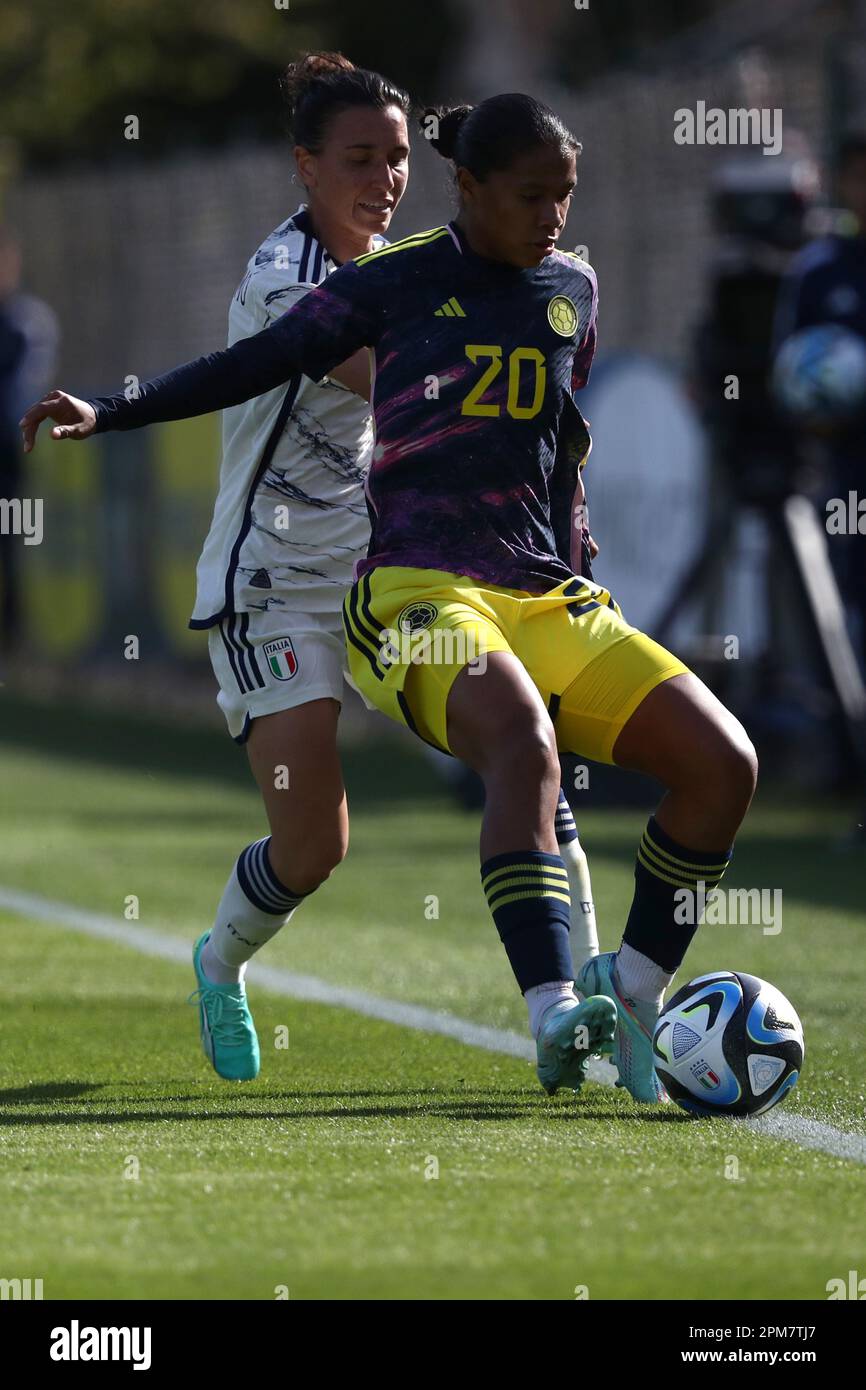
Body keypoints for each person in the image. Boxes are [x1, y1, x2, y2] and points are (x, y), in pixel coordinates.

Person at [22, 92, 758, 1104]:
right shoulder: (361, 282)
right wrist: (109, 408)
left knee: (716, 762)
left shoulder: (572, 291)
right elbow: (252, 365)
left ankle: (624, 993)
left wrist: (573, 550)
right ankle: (517, 1005)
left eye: (564, 195)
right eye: (529, 194)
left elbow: (551, 441)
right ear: (469, 188)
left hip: (534, 592)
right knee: (371, 816)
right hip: (356, 584)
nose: (551, 214)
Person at [774, 133, 866, 673]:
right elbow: (787, 374)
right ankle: (844, 741)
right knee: (845, 608)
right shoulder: (819, 270)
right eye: (860, 174)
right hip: (844, 476)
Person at [0, 227, 58, 651]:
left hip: (7, 455)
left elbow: (22, 391)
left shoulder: (25, 324)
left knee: (12, 538)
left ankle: (15, 631)